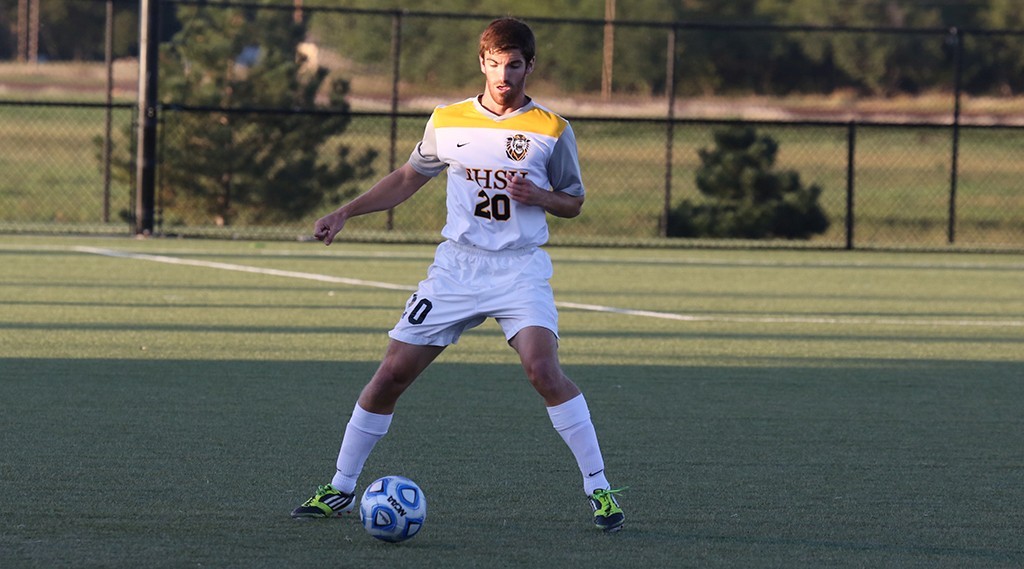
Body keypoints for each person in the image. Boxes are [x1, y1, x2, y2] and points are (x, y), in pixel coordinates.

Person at [292, 17, 625, 532]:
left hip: (519, 268)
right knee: (391, 375)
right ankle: (339, 487)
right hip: (457, 268)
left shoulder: (552, 129)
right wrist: (345, 212)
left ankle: (599, 489)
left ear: (530, 66)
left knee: (542, 370)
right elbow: (408, 177)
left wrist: (541, 196)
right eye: (495, 64)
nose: (504, 75)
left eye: (514, 65)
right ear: (482, 63)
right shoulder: (447, 121)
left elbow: (573, 202)